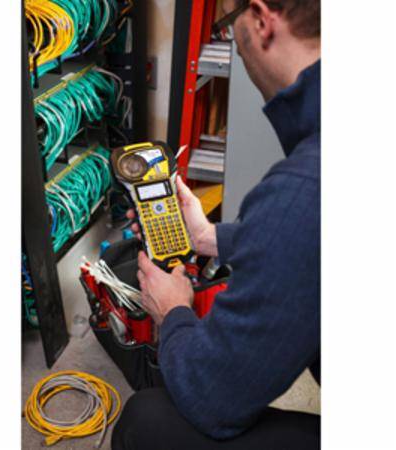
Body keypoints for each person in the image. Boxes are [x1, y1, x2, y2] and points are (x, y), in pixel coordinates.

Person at [112, 0, 320, 448]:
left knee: (145, 420)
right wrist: (209, 237)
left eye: (227, 23)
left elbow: (213, 397)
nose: (231, 42)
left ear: (261, 20)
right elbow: (308, 240)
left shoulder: (303, 187)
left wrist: (174, 313)